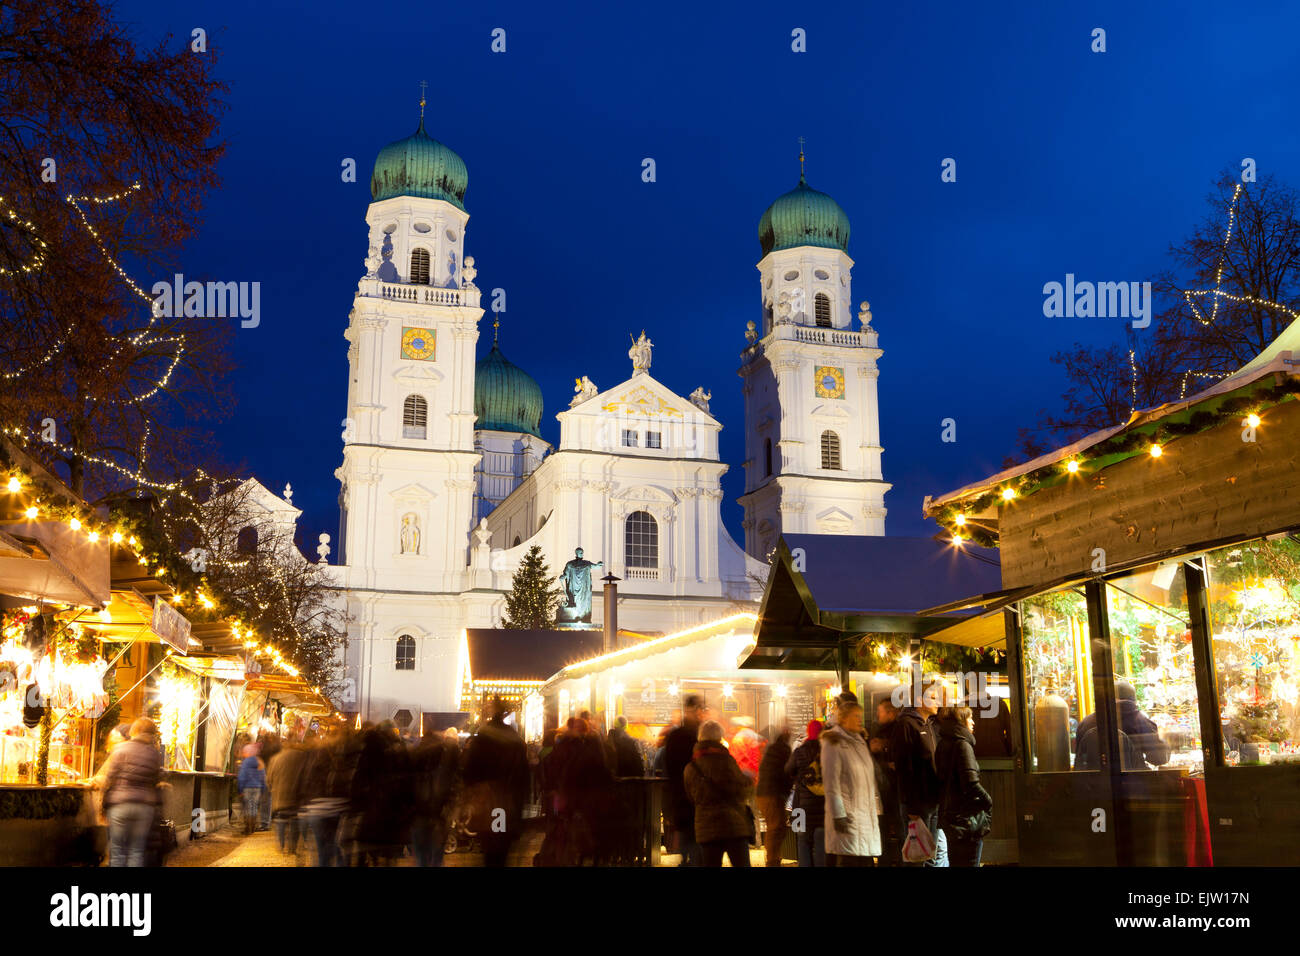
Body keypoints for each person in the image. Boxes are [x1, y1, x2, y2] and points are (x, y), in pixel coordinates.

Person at [461, 698, 530, 867]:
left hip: (489, 800)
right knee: (501, 843)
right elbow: (523, 776)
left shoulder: (483, 738)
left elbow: (469, 770)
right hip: (508, 799)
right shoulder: (515, 740)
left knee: (492, 844)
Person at [684, 720, 753, 867]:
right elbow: (741, 790)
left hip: (707, 828)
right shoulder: (727, 761)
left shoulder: (691, 767)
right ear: (719, 738)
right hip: (734, 825)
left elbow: (691, 797)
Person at [820, 699, 881, 866]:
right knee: (850, 859)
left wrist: (876, 808)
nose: (860, 719)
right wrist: (839, 814)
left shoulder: (860, 742)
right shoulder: (833, 743)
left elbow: (869, 781)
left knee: (864, 859)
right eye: (856, 716)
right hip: (848, 818)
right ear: (844, 719)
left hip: (865, 817)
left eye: (860, 715)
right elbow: (831, 783)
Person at [98, 717, 163, 867]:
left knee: (118, 851)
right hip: (144, 807)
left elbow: (110, 779)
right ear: (152, 734)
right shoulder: (154, 755)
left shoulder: (120, 749)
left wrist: (103, 806)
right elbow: (156, 781)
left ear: (134, 731)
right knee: (136, 851)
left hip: (120, 806)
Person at [935, 704, 993, 867]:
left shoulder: (943, 743)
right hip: (966, 818)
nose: (973, 722)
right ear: (961, 722)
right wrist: (987, 800)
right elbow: (970, 781)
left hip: (950, 817)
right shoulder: (963, 745)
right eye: (970, 718)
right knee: (970, 861)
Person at [1074, 680, 1170, 770]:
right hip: (1132, 783)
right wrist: (1164, 739)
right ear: (1133, 700)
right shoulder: (1141, 721)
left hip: (1092, 785)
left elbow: (1078, 759)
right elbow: (1159, 758)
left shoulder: (1085, 722)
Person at [895, 687, 944, 866]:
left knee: (930, 854)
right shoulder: (906, 725)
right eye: (932, 697)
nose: (938, 701)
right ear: (918, 700)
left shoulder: (930, 725)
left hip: (932, 800)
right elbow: (904, 767)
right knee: (916, 857)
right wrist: (911, 805)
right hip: (917, 803)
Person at [663, 695, 705, 865]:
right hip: (694, 796)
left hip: (680, 795)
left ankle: (686, 860)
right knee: (695, 837)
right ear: (695, 710)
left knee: (687, 837)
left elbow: (668, 766)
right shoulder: (696, 735)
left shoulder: (675, 736)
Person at [785, 720, 826, 867]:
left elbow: (788, 770)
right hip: (823, 806)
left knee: (802, 841)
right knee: (821, 842)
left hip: (800, 805)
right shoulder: (827, 751)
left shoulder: (799, 751)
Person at [869, 699, 902, 865]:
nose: (877, 714)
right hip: (884, 791)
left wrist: (884, 750)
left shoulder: (898, 731)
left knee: (896, 828)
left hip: (893, 791)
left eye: (880, 711)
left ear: (890, 713)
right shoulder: (880, 731)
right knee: (885, 829)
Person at [266, 742, 310, 859]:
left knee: (281, 821)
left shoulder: (275, 759)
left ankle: (281, 846)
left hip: (280, 798)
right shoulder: (302, 757)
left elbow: (269, 779)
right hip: (297, 798)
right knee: (295, 822)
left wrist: (273, 788)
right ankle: (292, 848)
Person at [756, 728, 793, 867]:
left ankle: (774, 858)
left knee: (778, 826)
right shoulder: (783, 750)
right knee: (775, 827)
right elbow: (786, 771)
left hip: (765, 793)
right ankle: (772, 861)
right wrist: (789, 786)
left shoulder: (772, 750)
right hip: (771, 794)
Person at [237, 743, 267, 837]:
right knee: (254, 807)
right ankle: (252, 827)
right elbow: (263, 777)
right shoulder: (260, 762)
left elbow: (242, 776)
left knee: (247, 807)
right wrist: (262, 789)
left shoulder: (246, 762)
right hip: (257, 788)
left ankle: (248, 828)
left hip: (247, 788)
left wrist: (240, 789)